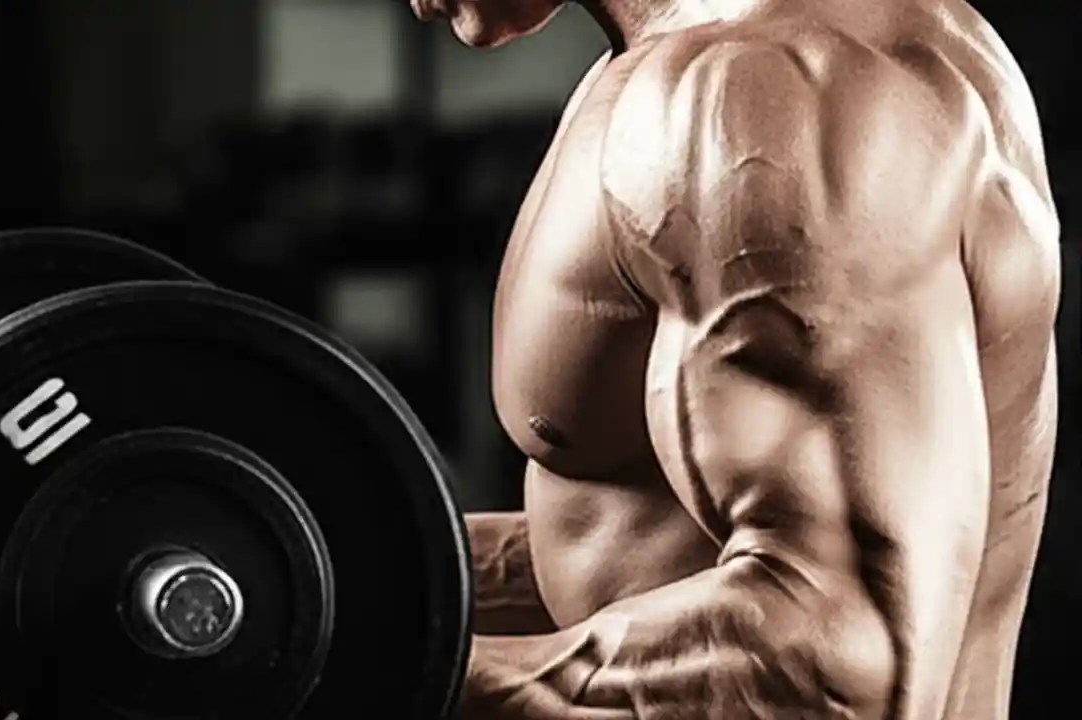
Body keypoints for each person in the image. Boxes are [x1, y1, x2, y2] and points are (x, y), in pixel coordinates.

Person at [410, 0, 1062, 717]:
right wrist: (361, 566)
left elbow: (843, 661)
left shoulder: (761, 101)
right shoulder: (727, 65)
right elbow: (632, 547)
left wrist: (381, 669)